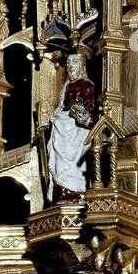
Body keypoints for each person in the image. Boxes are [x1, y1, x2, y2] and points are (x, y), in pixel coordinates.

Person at [46, 53, 94, 201]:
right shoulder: (66, 86)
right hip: (62, 126)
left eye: (74, 62)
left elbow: (89, 105)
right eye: (68, 63)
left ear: (82, 66)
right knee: (59, 159)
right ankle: (62, 190)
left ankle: (74, 191)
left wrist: (83, 114)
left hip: (77, 129)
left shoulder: (86, 84)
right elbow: (62, 107)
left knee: (74, 158)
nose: (70, 65)